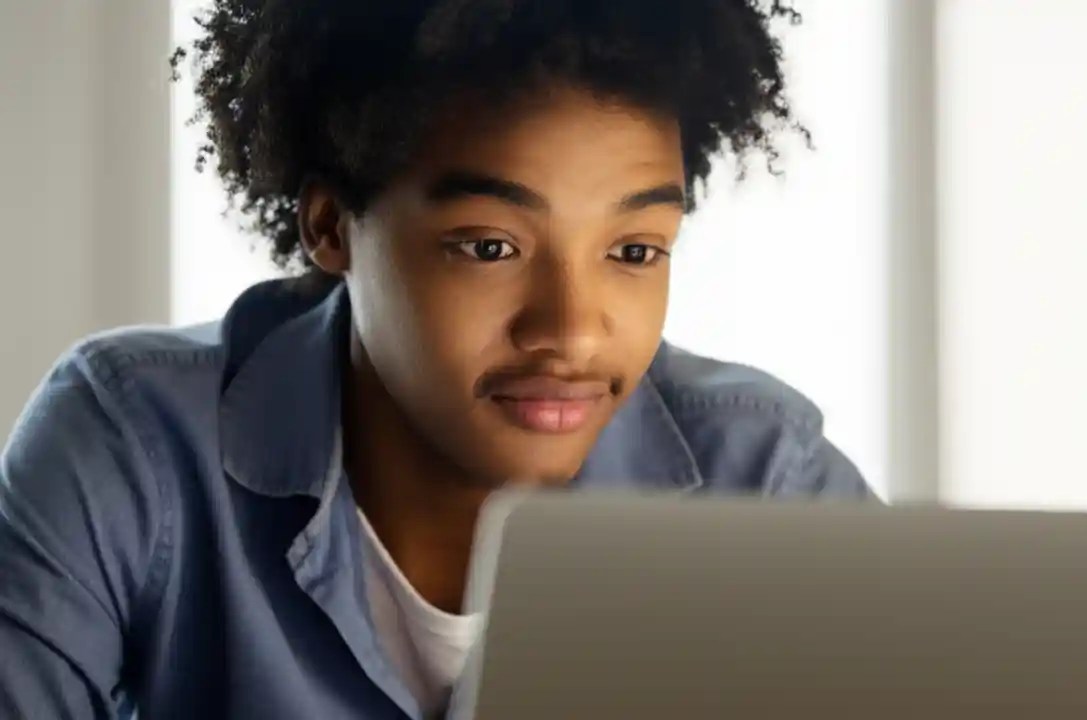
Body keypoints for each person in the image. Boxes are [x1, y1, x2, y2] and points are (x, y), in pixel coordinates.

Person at [0, 1, 873, 718]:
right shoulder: (130, 446)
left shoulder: (764, 483)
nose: (572, 333)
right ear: (330, 227)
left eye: (635, 251)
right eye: (490, 247)